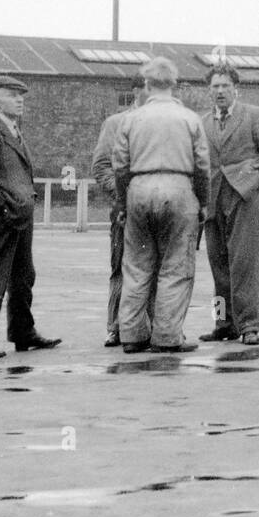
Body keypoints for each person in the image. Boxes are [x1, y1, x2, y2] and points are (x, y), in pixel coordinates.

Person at [111, 57, 210, 354]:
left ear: (146, 84)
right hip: (179, 188)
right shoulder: (190, 119)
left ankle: (131, 334)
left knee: (137, 266)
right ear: (174, 84)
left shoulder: (131, 119)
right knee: (176, 266)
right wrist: (203, 202)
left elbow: (119, 165)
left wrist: (122, 201)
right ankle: (166, 336)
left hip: (139, 188)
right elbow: (203, 166)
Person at [0, 75, 61, 360]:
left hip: (18, 216)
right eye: (12, 95)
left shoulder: (13, 130)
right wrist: (6, 209)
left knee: (23, 276)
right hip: (0, 218)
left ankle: (22, 332)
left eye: (22, 96)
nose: (20, 100)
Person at [199, 64, 259, 346]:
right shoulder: (202, 123)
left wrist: (258, 183)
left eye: (225, 86)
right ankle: (223, 324)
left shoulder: (254, 116)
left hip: (242, 196)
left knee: (243, 265)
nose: (220, 91)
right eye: (215, 86)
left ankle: (249, 327)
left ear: (237, 88)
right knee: (217, 265)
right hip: (213, 199)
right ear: (209, 91)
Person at [91, 84, 153, 347]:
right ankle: (116, 327)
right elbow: (102, 166)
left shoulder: (169, 122)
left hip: (160, 208)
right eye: (150, 86)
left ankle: (159, 327)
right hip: (125, 210)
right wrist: (123, 195)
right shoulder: (115, 123)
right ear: (137, 90)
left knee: (160, 269)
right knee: (121, 268)